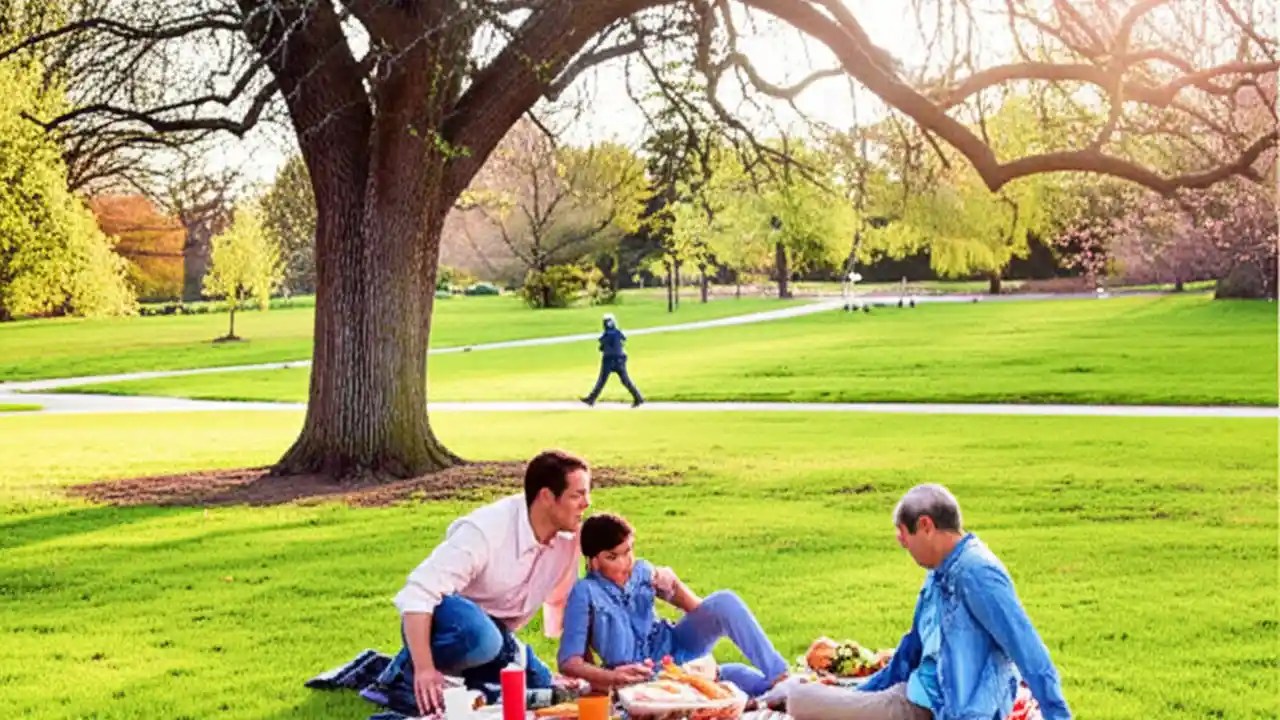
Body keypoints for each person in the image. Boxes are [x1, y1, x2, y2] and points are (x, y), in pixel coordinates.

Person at [783, 484, 1072, 720]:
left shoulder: (977, 572)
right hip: (912, 692)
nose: (903, 545)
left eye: (904, 536)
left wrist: (1057, 715)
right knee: (806, 694)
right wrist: (859, 692)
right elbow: (909, 652)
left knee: (798, 697)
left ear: (926, 526)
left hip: (936, 708)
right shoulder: (937, 575)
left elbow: (1027, 649)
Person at [384, 450, 592, 716]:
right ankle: (406, 671)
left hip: (501, 640)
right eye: (577, 495)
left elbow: (568, 602)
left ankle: (470, 685)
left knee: (543, 690)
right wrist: (425, 668)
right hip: (454, 623)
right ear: (547, 497)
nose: (587, 503)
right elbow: (418, 592)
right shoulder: (486, 531)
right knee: (483, 638)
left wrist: (585, 668)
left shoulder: (569, 538)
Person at [557, 513, 788, 696]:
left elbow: (699, 609)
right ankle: (755, 685)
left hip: (674, 646)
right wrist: (612, 678)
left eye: (629, 551)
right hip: (640, 677)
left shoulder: (643, 571)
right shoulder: (584, 593)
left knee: (724, 602)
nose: (625, 562)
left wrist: (675, 585)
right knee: (742, 684)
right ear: (593, 561)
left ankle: (781, 675)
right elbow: (569, 662)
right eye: (613, 557)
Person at [581, 313, 644, 408]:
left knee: (602, 380)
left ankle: (591, 399)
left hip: (609, 359)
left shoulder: (606, 334)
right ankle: (638, 398)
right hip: (620, 358)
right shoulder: (618, 332)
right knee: (625, 380)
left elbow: (602, 346)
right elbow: (623, 340)